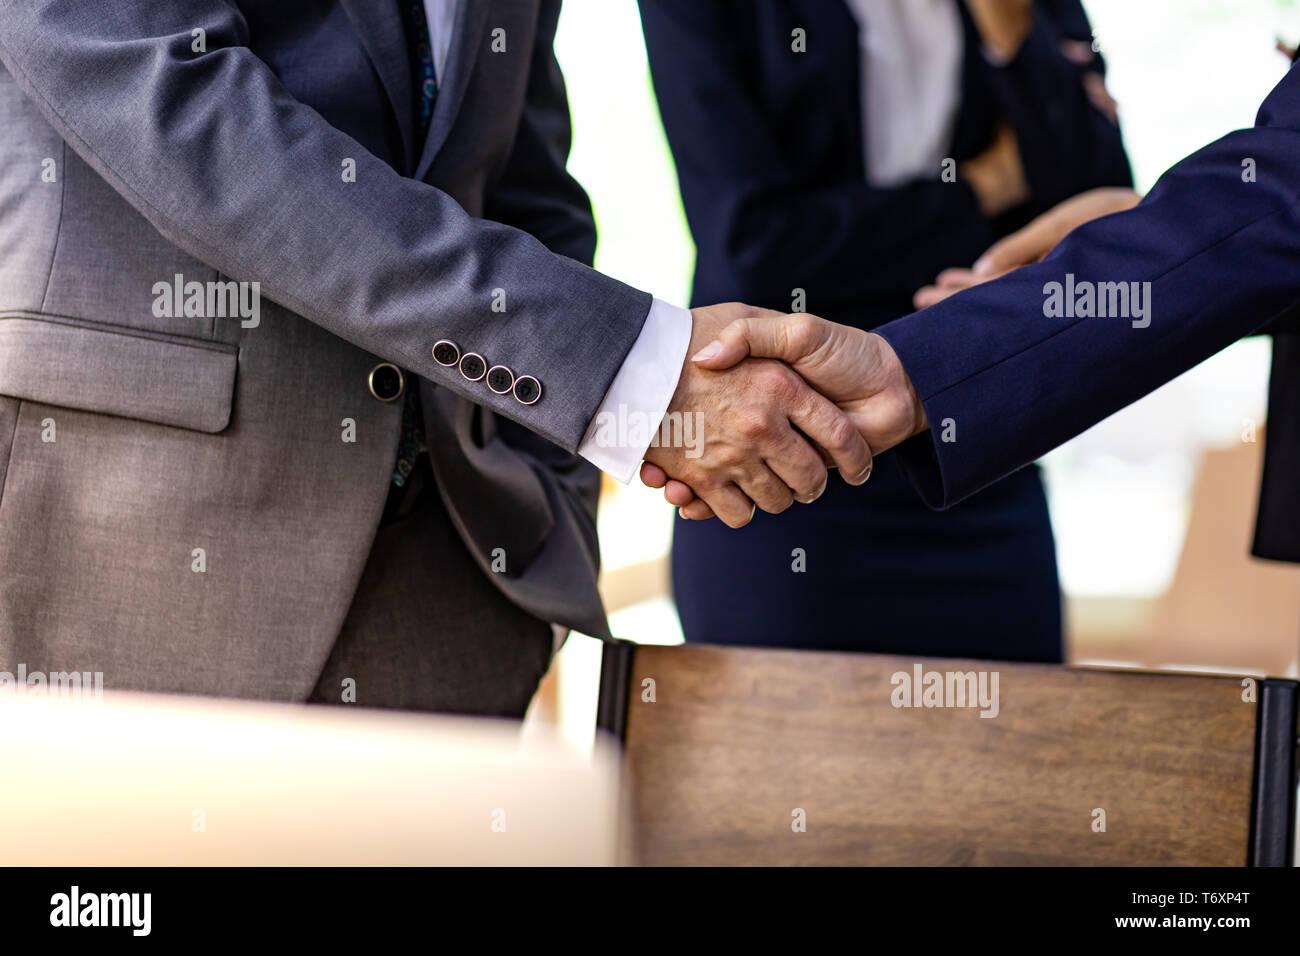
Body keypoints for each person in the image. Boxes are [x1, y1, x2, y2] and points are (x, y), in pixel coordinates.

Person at [0, 0, 872, 715]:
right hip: (125, 562)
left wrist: (546, 499)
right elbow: (176, 99)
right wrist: (625, 376)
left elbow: (524, 183)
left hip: (450, 591)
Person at [644, 54, 1300, 570]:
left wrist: (913, 369)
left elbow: (1271, 202)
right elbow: (752, 238)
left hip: (983, 461)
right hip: (822, 477)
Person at [636, 0, 1130, 660]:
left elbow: (1104, 218)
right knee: (784, 752)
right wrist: (985, 188)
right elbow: (754, 242)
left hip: (975, 453)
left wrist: (1011, 36)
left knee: (1013, 751)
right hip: (786, 454)